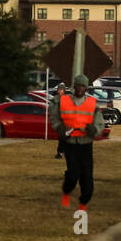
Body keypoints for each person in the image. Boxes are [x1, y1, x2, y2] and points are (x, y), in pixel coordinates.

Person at [48, 74, 105, 210]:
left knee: (87, 176)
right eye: (78, 85)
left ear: (86, 88)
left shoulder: (92, 103)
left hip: (86, 143)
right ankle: (67, 192)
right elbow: (54, 118)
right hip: (70, 143)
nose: (80, 88)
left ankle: (83, 203)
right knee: (73, 174)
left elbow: (100, 124)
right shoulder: (64, 101)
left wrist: (92, 130)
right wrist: (61, 129)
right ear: (74, 87)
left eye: (83, 86)